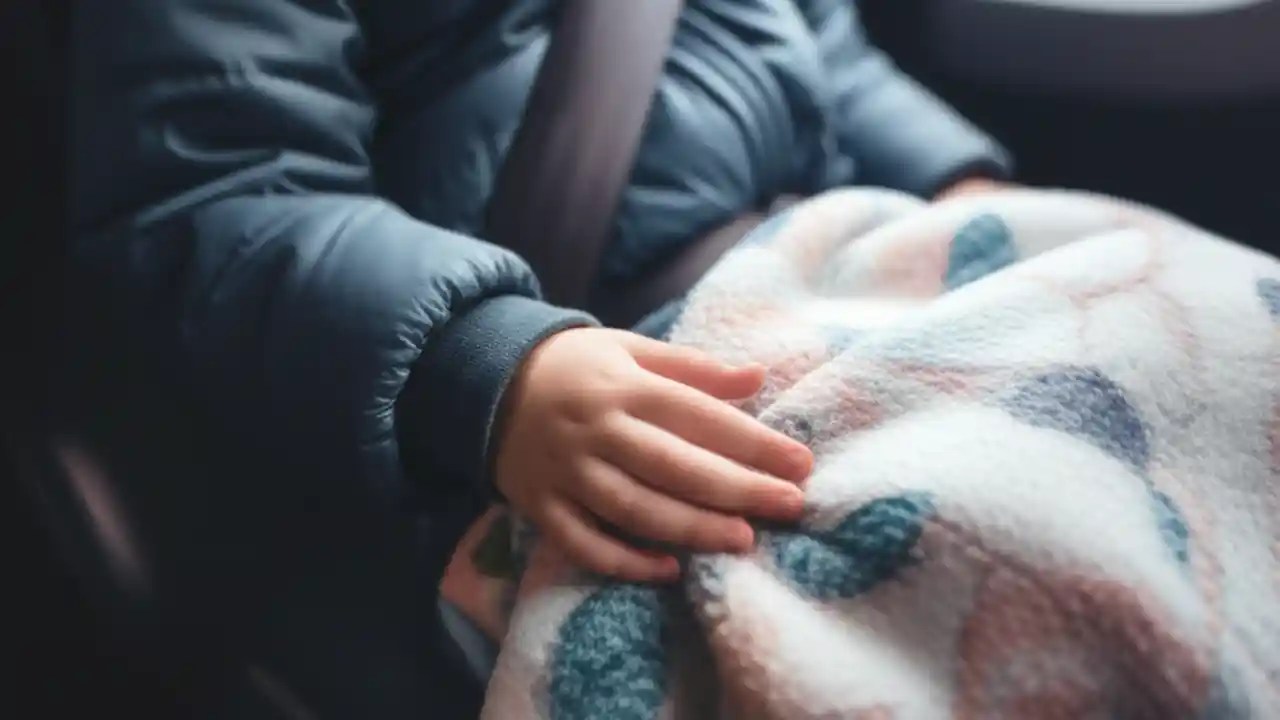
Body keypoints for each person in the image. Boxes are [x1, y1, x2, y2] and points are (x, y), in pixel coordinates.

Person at [59, 0, 1012, 713]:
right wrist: (489, 364)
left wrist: (951, 183)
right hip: (505, 390)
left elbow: (819, 47)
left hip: (819, 276)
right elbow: (220, 197)